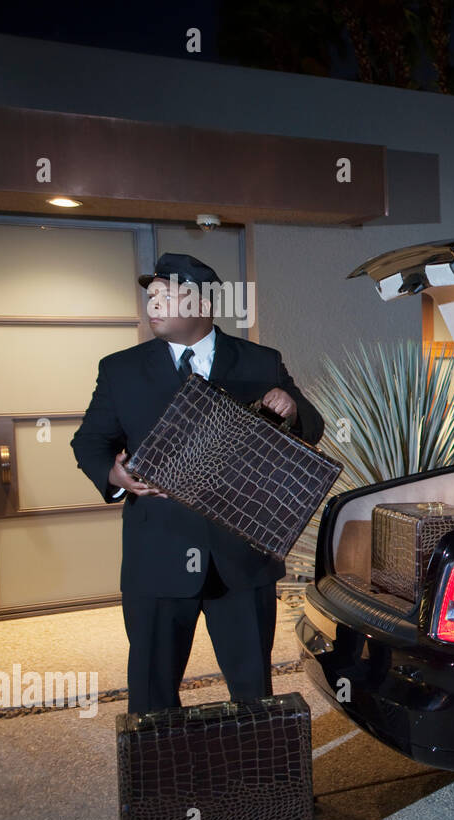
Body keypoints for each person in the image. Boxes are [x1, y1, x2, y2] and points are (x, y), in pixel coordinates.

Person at [71, 252, 324, 714]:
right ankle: (158, 786)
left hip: (241, 559)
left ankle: (256, 781)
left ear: (204, 302)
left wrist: (291, 404)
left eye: (167, 295)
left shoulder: (261, 360)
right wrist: (114, 474)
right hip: (157, 557)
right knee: (152, 694)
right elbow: (90, 441)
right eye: (150, 297)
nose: (154, 305)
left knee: (253, 691)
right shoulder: (120, 369)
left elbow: (310, 426)